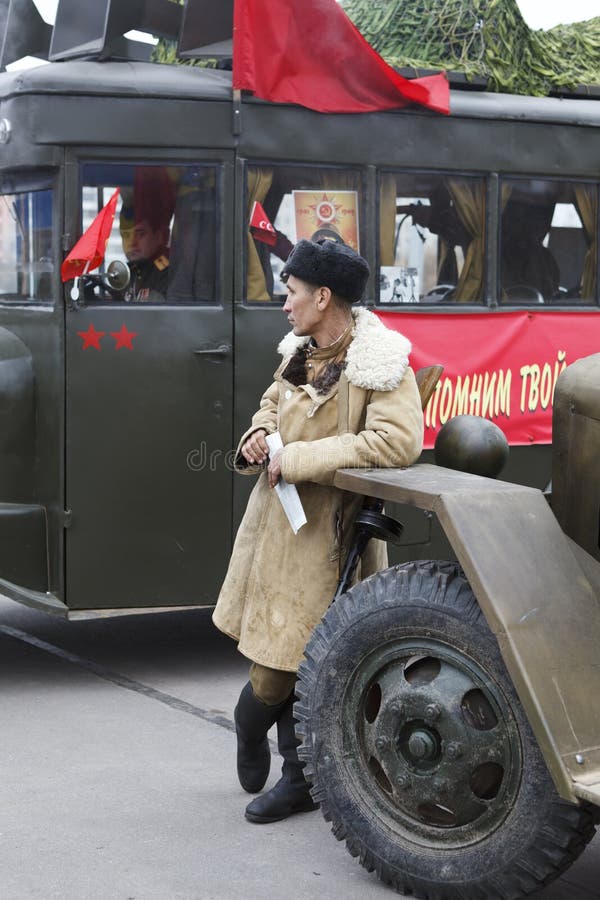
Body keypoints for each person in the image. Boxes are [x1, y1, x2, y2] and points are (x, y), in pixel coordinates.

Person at [212, 238, 424, 825]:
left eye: (292, 292)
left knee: (301, 663)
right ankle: (253, 732)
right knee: (278, 662)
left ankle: (298, 777)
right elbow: (271, 403)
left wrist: (300, 457)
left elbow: (396, 442)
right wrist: (257, 434)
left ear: (322, 296)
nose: (285, 304)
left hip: (333, 537)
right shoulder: (301, 351)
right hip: (278, 528)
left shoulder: (379, 361)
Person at [119, 209, 171, 302]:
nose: (132, 243)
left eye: (140, 235)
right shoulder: (126, 274)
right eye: (126, 235)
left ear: (158, 237)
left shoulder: (168, 273)